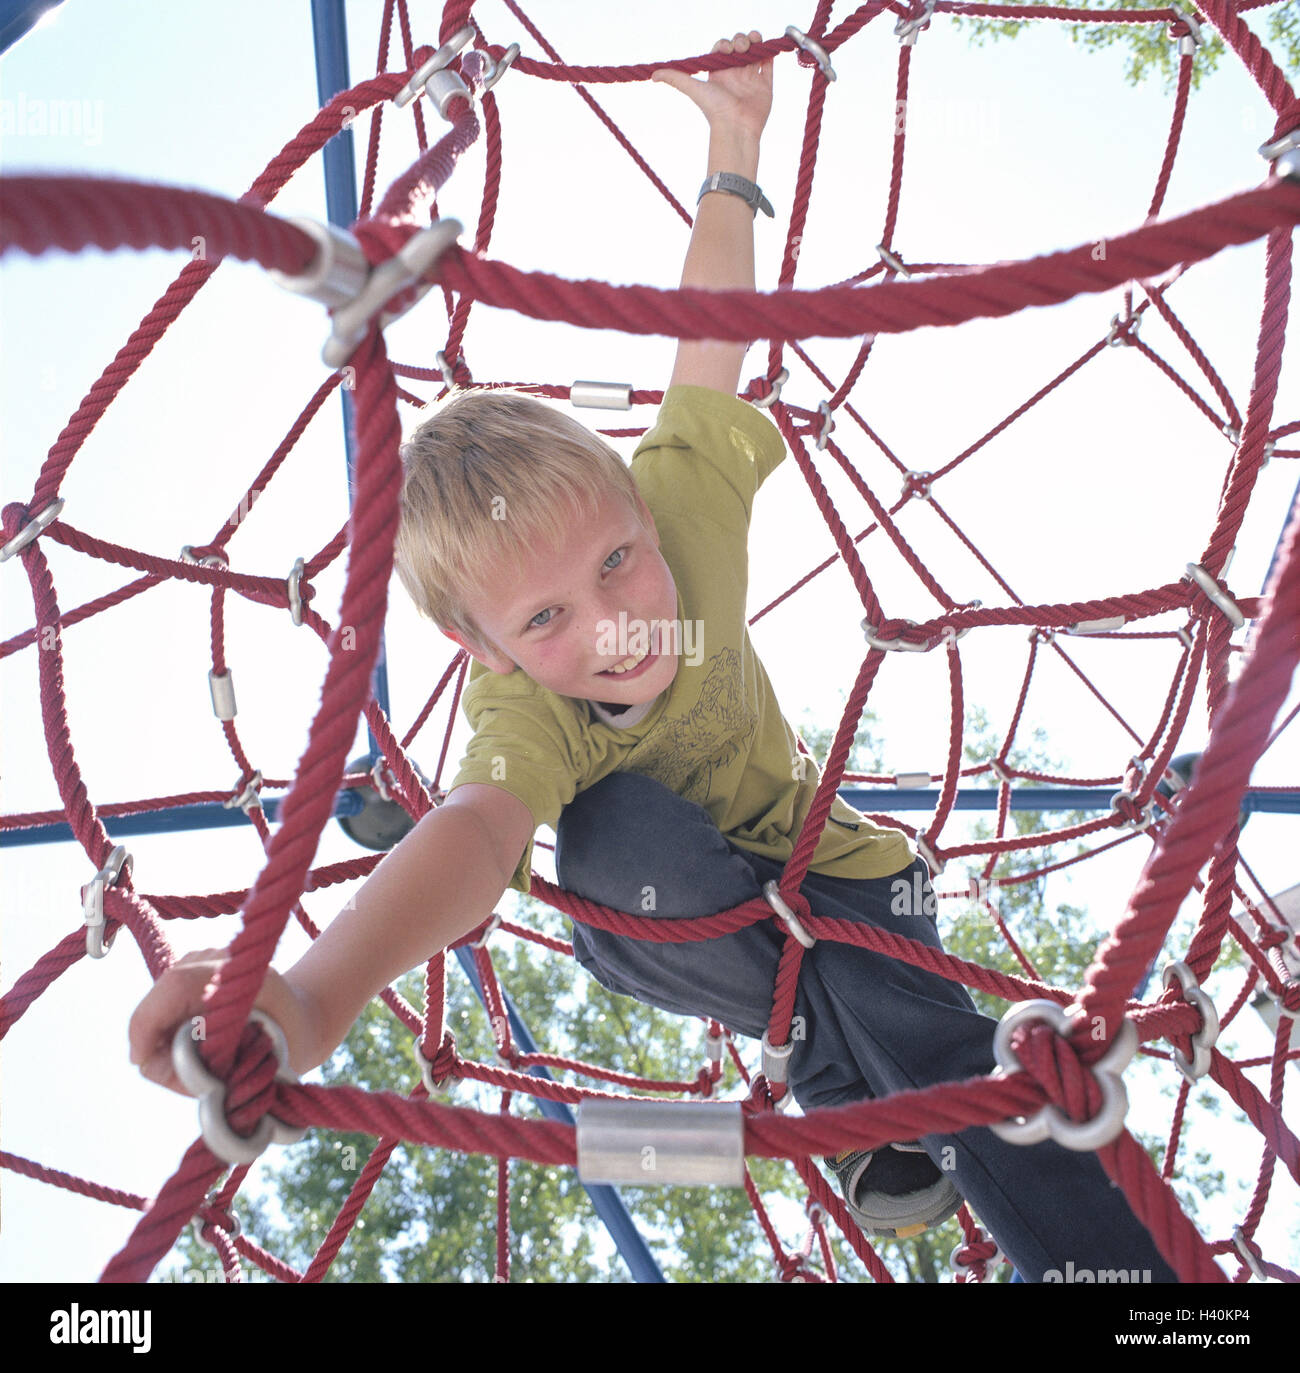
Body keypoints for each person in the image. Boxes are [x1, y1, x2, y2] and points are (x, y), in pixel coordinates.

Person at [130, 31, 1175, 1283]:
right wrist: (308, 995)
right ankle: (824, 1059)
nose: (611, 623)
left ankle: (1104, 1273)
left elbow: (708, 337)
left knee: (960, 1064)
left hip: (841, 880)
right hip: (688, 920)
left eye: (618, 560)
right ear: (481, 648)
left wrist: (732, 148)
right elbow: (471, 834)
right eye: (547, 619)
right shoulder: (527, 712)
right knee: (606, 834)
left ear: (640, 500)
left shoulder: (684, 501)